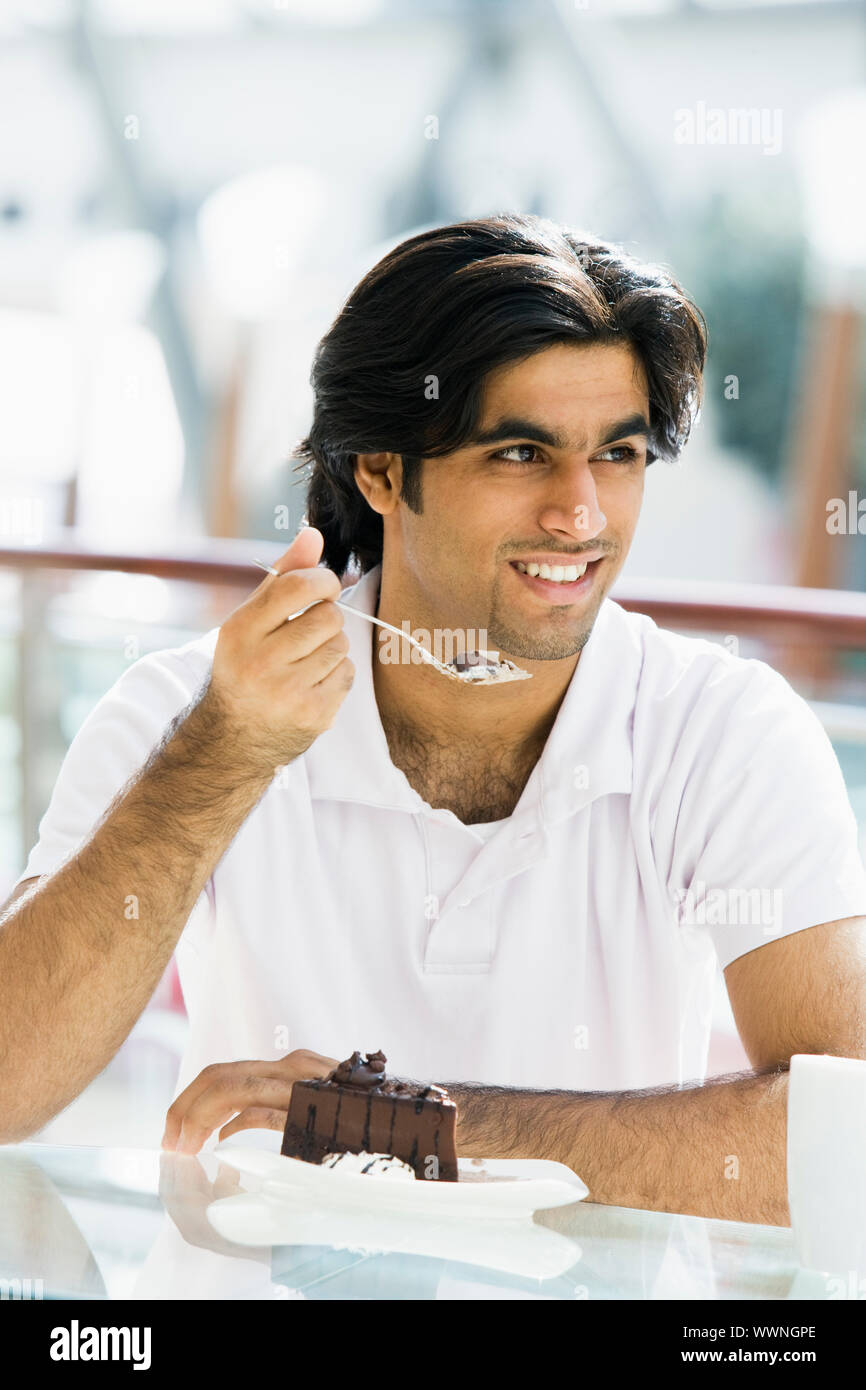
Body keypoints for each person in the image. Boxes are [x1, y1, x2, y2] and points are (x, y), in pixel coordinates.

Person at [2, 214, 864, 1227]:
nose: (579, 512)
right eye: (518, 452)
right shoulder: (186, 718)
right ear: (378, 470)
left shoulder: (722, 733)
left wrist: (402, 1124)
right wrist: (221, 756)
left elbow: (843, 1135)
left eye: (617, 454)